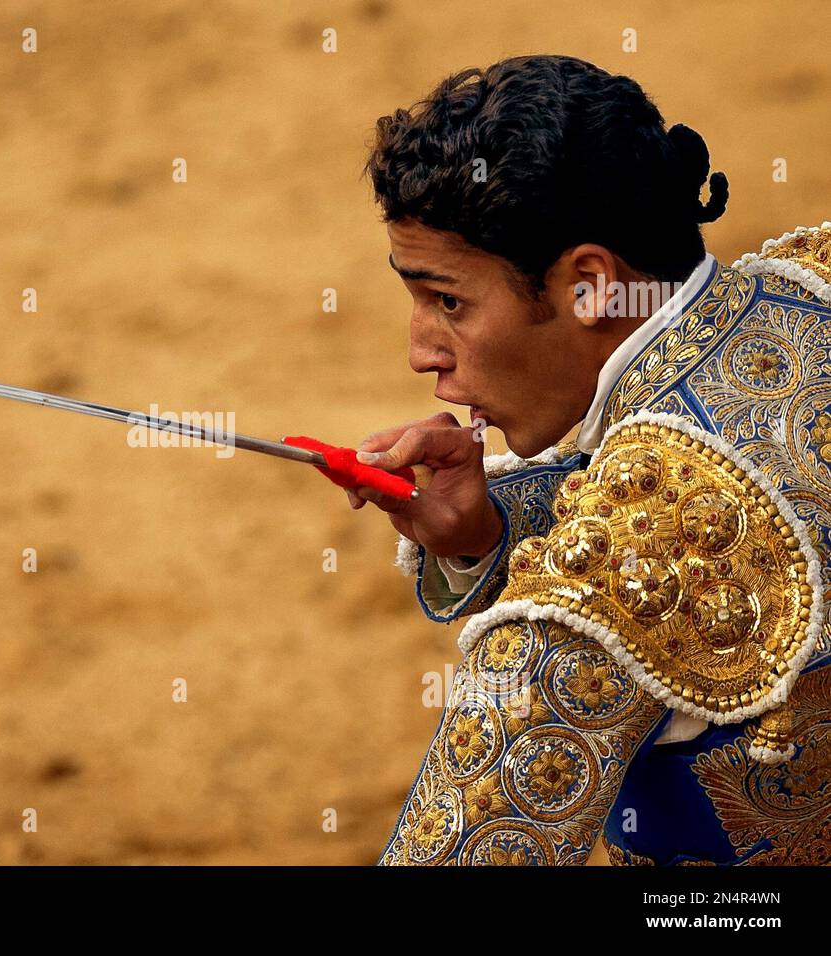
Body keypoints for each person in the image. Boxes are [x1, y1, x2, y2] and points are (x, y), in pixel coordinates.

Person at [354, 54, 831, 865]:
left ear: (590, 286)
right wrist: (497, 527)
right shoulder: (814, 288)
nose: (420, 353)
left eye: (448, 301)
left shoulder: (612, 576)